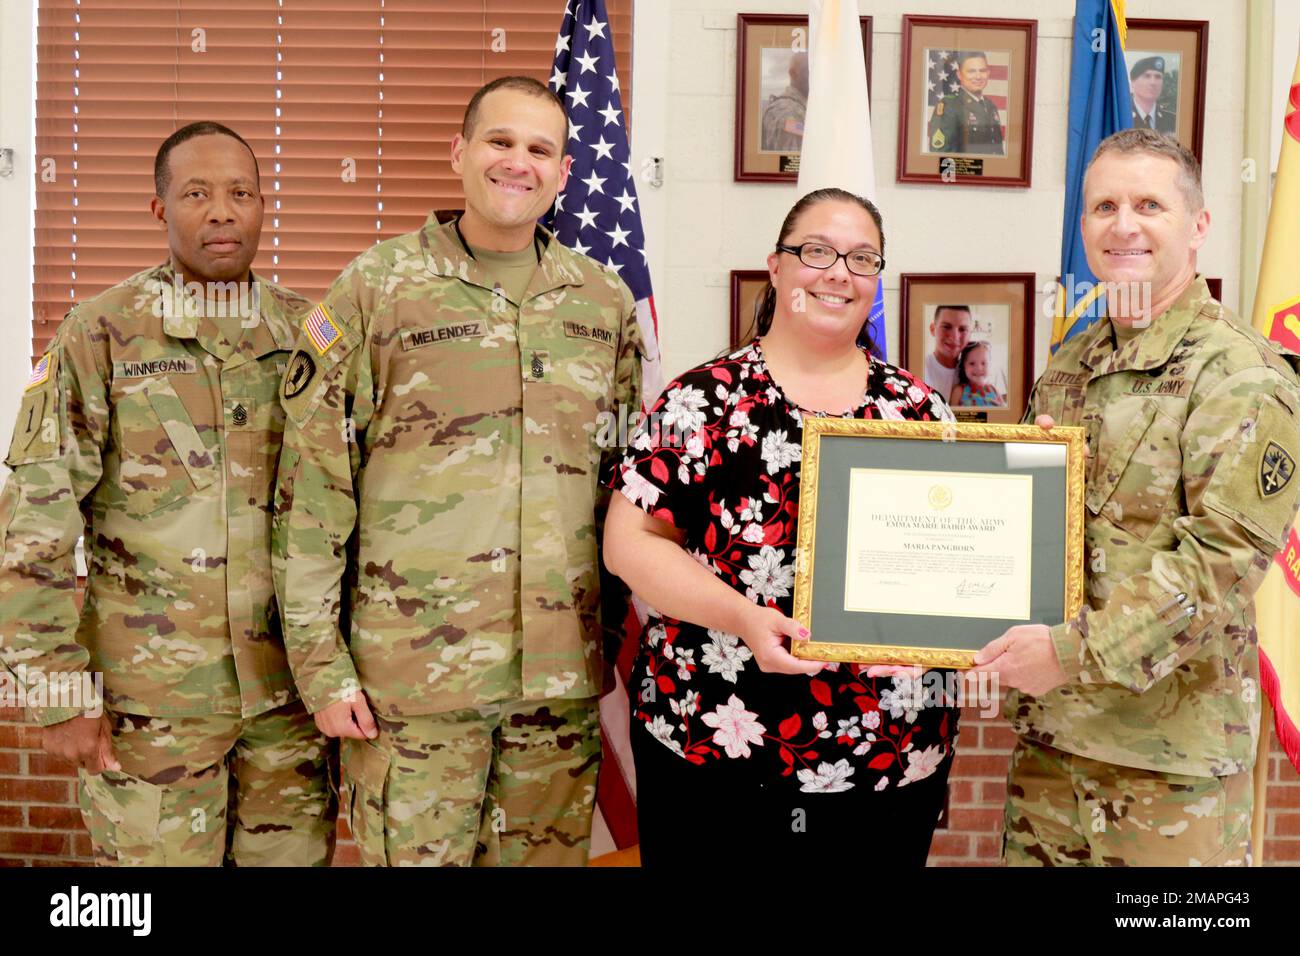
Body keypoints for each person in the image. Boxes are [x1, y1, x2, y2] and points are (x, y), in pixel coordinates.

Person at [272, 76, 642, 867]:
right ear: (460, 152)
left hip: (556, 682)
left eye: (540, 149)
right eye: (499, 142)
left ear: (565, 172)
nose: (518, 162)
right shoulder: (376, 289)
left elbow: (625, 488)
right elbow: (312, 491)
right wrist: (321, 669)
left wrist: (602, 639)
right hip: (412, 683)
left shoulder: (601, 303)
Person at [0, 122, 336, 866]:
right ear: (159, 210)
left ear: (262, 206)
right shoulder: (99, 337)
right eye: (196, 194)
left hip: (289, 708)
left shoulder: (310, 335)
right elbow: (34, 526)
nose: (222, 212)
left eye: (240, 193)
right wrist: (56, 694)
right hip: (150, 712)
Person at [603, 187, 958, 867]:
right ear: (776, 267)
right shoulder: (704, 399)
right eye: (816, 251)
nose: (838, 273)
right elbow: (629, 542)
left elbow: (949, 567)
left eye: (862, 259)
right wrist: (743, 618)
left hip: (886, 755)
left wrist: (937, 635)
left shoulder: (917, 408)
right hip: (714, 742)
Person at [973, 128, 1300, 866]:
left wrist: (1070, 651)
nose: (1123, 225)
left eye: (1149, 204)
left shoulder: (1240, 373)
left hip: (1168, 769)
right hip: (1051, 748)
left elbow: (1221, 561)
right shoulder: (1072, 362)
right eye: (1103, 207)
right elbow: (1019, 531)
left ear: (1198, 226)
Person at [928, 51, 1005, 155]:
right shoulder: (950, 106)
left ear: (988, 73)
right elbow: (941, 154)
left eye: (982, 70)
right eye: (971, 71)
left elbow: (998, 151)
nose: (978, 77)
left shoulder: (990, 106)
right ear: (959, 74)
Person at [761, 52, 808, 153]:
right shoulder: (788, 114)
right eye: (808, 71)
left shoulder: (801, 107)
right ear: (793, 73)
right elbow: (793, 164)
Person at [924, 304, 972, 399]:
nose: (954, 336)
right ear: (933, 329)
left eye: (962, 329)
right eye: (946, 327)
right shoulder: (919, 368)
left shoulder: (975, 371)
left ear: (970, 333)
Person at [948, 340, 1005, 408]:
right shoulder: (959, 390)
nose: (979, 368)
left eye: (983, 363)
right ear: (964, 366)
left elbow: (1005, 413)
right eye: (972, 363)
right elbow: (951, 416)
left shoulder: (993, 389)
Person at [1129, 56, 1176, 133]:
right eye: (1147, 76)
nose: (1153, 82)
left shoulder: (1172, 121)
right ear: (1133, 82)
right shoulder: (1120, 117)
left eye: (1158, 77)